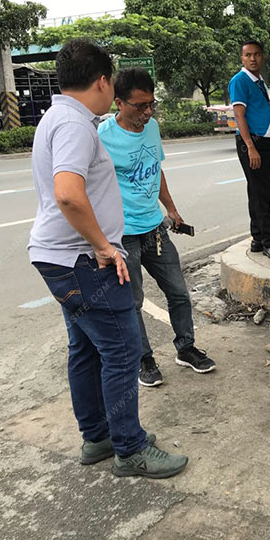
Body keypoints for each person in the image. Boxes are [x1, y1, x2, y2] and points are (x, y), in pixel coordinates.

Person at [28, 39, 187, 478]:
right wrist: (103, 246)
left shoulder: (56, 117)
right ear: (102, 81)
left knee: (85, 348)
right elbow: (68, 194)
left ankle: (97, 437)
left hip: (60, 258)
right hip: (81, 260)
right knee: (122, 350)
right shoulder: (76, 126)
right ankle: (129, 448)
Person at [98, 68, 216, 388]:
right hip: (124, 235)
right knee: (133, 302)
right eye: (140, 106)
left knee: (178, 292)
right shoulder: (102, 137)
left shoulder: (151, 128)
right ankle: (143, 358)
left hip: (155, 229)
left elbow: (156, 169)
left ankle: (186, 348)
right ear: (119, 103)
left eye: (152, 104)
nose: (148, 112)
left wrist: (171, 209)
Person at [228, 40, 270, 260]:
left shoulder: (258, 81)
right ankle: (269, 242)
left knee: (256, 192)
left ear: (263, 57)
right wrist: (251, 147)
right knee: (261, 195)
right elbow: (239, 115)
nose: (253, 59)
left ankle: (258, 239)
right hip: (253, 142)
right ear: (242, 58)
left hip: (264, 143)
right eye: (248, 55)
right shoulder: (240, 81)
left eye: (257, 54)